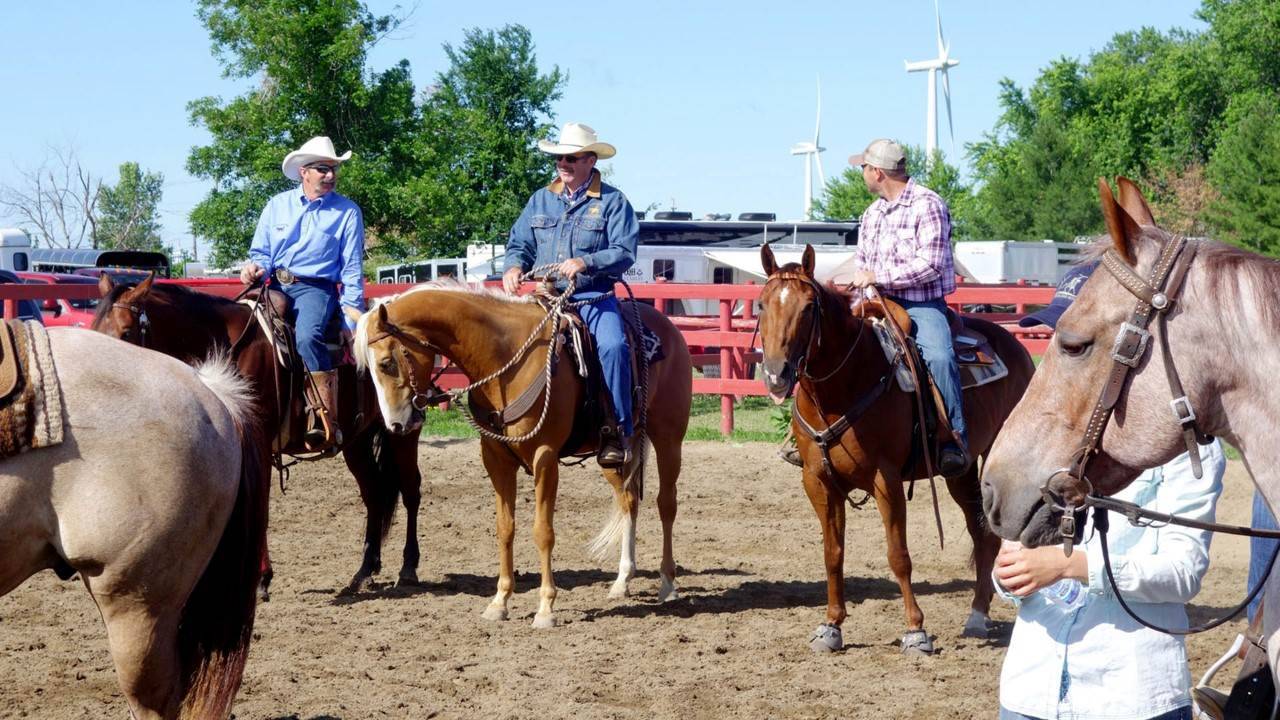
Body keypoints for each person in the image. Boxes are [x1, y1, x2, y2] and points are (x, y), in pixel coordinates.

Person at [995, 260, 1226, 720]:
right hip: (1031, 690)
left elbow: (1184, 572)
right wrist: (1011, 577)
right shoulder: (1048, 447)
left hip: (1129, 693)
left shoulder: (1190, 453)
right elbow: (1011, 574)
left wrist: (1069, 567)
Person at [502, 122, 639, 467]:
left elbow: (625, 251)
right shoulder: (540, 200)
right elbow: (519, 242)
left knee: (612, 347)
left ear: (590, 161)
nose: (563, 163)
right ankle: (506, 421)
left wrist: (586, 262)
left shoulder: (613, 202)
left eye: (571, 158)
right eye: (559, 157)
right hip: (544, 297)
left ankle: (616, 429)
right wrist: (513, 267)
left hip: (592, 297)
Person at [830, 138, 968, 476]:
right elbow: (862, 263)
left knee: (939, 355)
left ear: (877, 172)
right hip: (875, 302)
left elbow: (932, 264)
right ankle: (813, 432)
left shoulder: (928, 204)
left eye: (863, 168)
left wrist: (879, 276)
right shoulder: (871, 214)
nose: (861, 173)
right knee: (831, 343)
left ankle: (953, 439)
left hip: (921, 305)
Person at [241, 136, 365, 451]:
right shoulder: (276, 205)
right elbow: (262, 253)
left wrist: (352, 319)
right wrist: (253, 267)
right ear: (304, 173)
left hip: (316, 288)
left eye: (334, 169)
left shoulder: (348, 212)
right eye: (324, 169)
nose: (331, 175)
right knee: (240, 328)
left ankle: (324, 417)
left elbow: (351, 269)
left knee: (308, 336)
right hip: (274, 285)